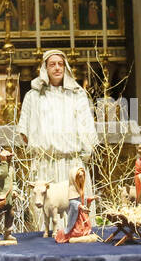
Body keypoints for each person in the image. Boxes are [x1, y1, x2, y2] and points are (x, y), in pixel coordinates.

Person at [16, 49, 97, 196]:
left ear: (65, 67)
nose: (57, 67)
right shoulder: (33, 96)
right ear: (45, 68)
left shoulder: (77, 94)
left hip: (72, 163)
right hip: (45, 164)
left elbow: (88, 127)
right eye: (52, 64)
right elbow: (24, 131)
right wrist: (42, 147)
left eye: (60, 64)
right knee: (47, 211)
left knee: (75, 210)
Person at [55, 165, 98, 242]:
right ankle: (68, 235)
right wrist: (80, 206)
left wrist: (89, 199)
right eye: (80, 177)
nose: (83, 178)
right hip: (76, 213)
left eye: (83, 176)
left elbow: (82, 198)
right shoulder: (72, 189)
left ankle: (83, 234)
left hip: (81, 212)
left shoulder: (80, 188)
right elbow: (72, 202)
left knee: (85, 225)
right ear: (74, 178)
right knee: (77, 228)